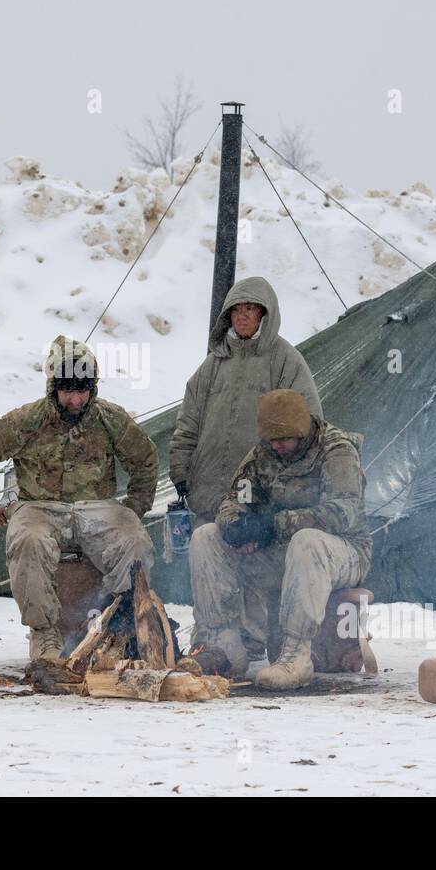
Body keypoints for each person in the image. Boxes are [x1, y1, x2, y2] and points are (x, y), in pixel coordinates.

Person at [0, 336, 158, 665]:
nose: (75, 399)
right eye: (67, 390)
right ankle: (44, 634)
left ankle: (125, 626)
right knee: (28, 541)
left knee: (134, 541)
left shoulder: (111, 419)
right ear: (53, 388)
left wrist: (134, 507)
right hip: (39, 505)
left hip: (98, 506)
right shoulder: (25, 422)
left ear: (93, 388)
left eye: (83, 390)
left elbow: (145, 459)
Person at [169, 276, 322, 656]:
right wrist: (180, 467)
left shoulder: (286, 361)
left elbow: (308, 421)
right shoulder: (213, 364)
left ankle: (253, 637)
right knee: (208, 559)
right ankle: (213, 640)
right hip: (210, 486)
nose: (243, 317)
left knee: (252, 555)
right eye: (236, 310)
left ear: (265, 315)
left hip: (263, 490)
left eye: (251, 309)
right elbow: (188, 421)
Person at [189, 389, 371, 690]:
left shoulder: (336, 451)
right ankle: (222, 645)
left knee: (307, 540)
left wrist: (271, 526)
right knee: (206, 537)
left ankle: (296, 656)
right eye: (272, 440)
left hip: (343, 551)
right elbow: (235, 497)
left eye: (284, 439)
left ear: (302, 431)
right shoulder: (264, 454)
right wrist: (235, 524)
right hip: (284, 553)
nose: (277, 446)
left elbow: (343, 513)